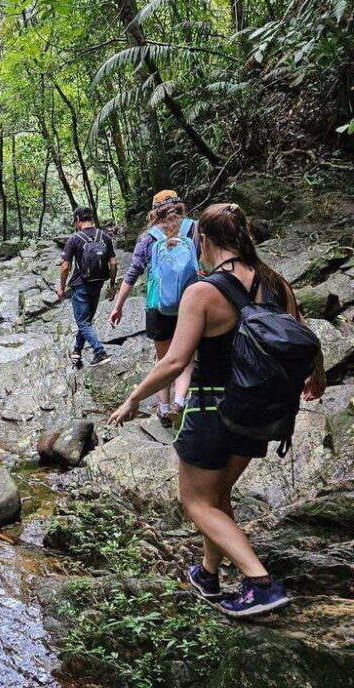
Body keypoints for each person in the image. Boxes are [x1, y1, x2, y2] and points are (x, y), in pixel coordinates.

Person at [108, 202, 325, 618]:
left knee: (197, 503)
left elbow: (174, 362)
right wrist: (317, 377)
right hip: (260, 411)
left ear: (202, 240)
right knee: (219, 495)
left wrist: (133, 399)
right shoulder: (274, 281)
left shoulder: (203, 291)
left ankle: (259, 582)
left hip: (212, 409)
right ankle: (208, 574)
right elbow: (302, 331)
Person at [109, 190, 200, 427]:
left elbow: (132, 275)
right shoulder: (195, 229)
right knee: (186, 359)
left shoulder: (147, 238)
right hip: (191, 304)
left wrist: (117, 307)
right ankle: (180, 402)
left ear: (154, 211)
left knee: (163, 360)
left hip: (157, 306)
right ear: (179, 206)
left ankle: (164, 409)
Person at [57, 206, 118, 368]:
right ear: (91, 218)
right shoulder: (104, 237)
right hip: (98, 283)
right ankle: (77, 350)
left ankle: (100, 352)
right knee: (86, 321)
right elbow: (113, 263)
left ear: (77, 220)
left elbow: (64, 267)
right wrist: (112, 285)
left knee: (83, 322)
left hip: (81, 285)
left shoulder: (75, 239)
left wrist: (61, 288)